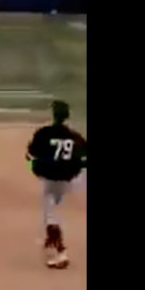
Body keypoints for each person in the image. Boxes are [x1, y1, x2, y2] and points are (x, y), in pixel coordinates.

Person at [25, 99, 86, 269]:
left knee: (51, 216)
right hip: (70, 180)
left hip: (51, 180)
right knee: (54, 211)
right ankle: (50, 241)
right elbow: (84, 160)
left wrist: (34, 169)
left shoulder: (44, 133)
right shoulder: (76, 137)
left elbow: (29, 157)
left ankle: (61, 252)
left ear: (54, 115)